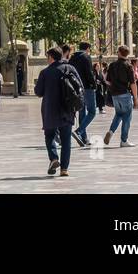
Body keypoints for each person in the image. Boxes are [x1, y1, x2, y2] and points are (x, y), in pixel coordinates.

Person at [36, 46, 81, 176]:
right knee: (66, 139)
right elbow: (80, 88)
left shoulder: (45, 72)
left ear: (51, 57)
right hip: (67, 109)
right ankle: (64, 169)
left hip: (50, 109)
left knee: (50, 136)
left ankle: (54, 158)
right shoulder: (71, 69)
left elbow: (39, 92)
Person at [103, 45, 137, 147]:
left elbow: (107, 81)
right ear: (127, 54)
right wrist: (136, 99)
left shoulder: (112, 65)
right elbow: (132, 83)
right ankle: (124, 140)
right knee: (127, 117)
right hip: (125, 93)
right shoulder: (128, 66)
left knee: (118, 114)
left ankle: (111, 131)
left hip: (115, 95)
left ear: (118, 53)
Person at [70, 42, 97, 147]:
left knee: (82, 113)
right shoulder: (86, 57)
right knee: (92, 112)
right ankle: (79, 131)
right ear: (88, 48)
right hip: (87, 87)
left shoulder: (73, 58)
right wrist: (94, 85)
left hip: (76, 88)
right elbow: (89, 72)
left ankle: (83, 138)